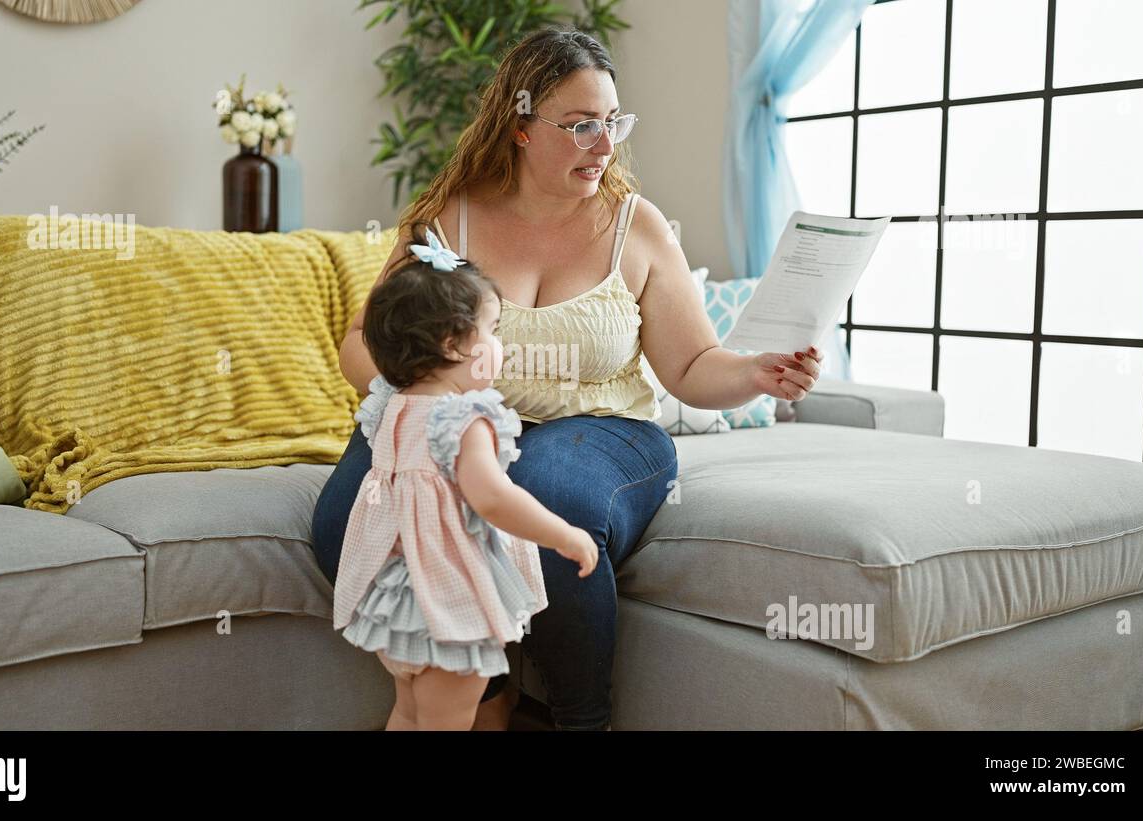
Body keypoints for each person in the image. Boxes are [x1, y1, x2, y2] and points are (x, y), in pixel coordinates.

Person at [314, 25, 824, 731]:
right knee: (347, 516)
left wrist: (757, 373)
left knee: (546, 497)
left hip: (605, 432)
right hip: (460, 421)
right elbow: (360, 346)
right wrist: (431, 384)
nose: (605, 144)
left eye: (612, 123)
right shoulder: (447, 220)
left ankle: (584, 719)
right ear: (521, 126)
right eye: (583, 125)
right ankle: (486, 694)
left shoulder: (636, 226)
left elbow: (692, 368)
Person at [333, 224, 598, 730]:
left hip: (397, 596)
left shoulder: (391, 408)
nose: (499, 345)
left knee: (408, 715)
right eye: (493, 330)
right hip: (449, 602)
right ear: (455, 344)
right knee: (446, 722)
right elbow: (493, 499)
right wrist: (563, 534)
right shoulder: (463, 420)